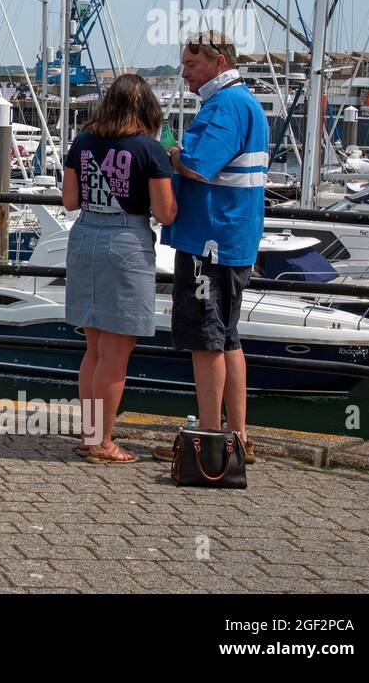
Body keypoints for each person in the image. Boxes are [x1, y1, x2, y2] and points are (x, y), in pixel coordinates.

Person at [158, 30, 268, 465]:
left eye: (191, 64)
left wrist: (166, 149)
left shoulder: (225, 106)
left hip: (211, 240)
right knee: (228, 338)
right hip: (232, 238)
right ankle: (238, 436)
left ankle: (210, 439)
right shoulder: (246, 103)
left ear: (218, 61)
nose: (184, 73)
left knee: (207, 341)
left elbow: (197, 166)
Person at [62, 73, 177, 464]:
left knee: (93, 350)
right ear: (147, 109)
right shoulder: (149, 149)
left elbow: (70, 201)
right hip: (125, 243)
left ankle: (89, 435)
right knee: (115, 355)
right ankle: (102, 442)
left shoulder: (82, 142)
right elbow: (164, 212)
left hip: (84, 237)